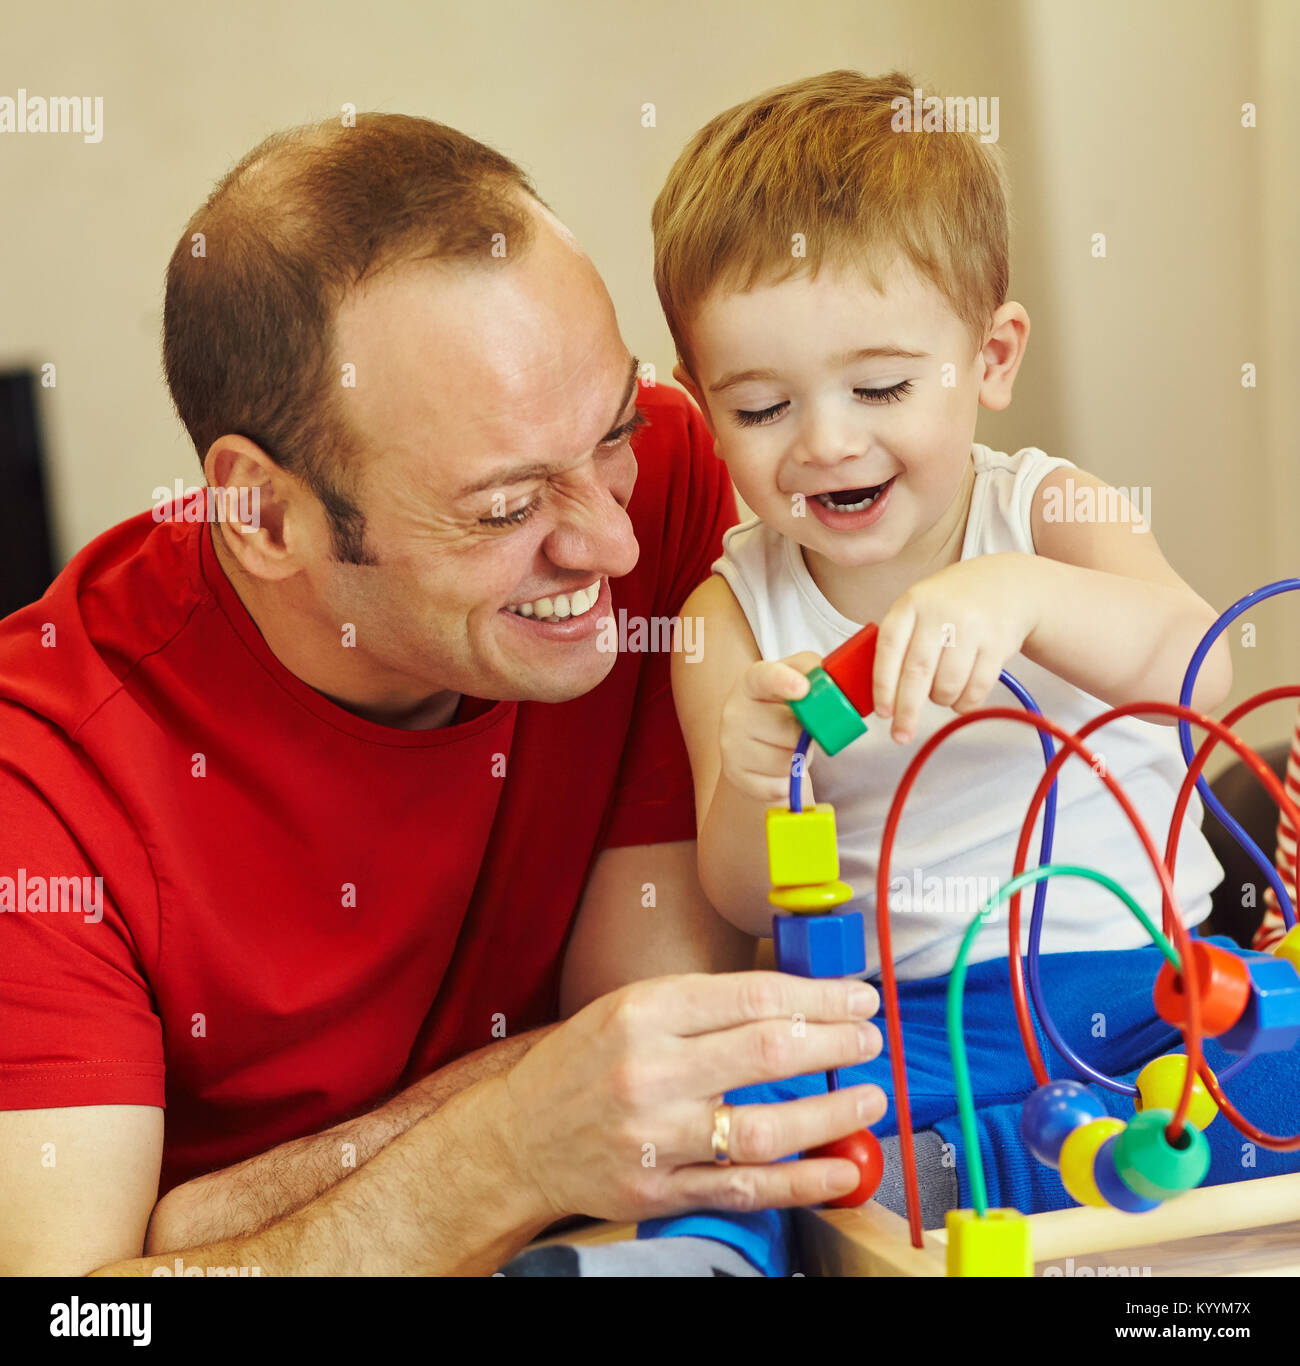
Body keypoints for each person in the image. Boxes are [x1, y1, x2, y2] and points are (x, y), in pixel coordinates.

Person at [0, 113, 893, 1276]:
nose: (615, 546)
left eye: (612, 429)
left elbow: (654, 1046)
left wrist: (215, 1221)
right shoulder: (45, 778)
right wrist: (504, 1153)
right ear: (264, 513)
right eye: (506, 510)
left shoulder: (674, 479)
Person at [536, 68, 1300, 1278]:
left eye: (881, 387)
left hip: (1156, 980)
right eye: (761, 406)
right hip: (906, 1018)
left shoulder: (1047, 513)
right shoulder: (726, 614)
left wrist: (1035, 594)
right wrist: (745, 772)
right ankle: (706, 1256)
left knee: (1277, 1036)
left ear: (990, 358)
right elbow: (740, 894)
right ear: (702, 406)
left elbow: (1198, 677)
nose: (827, 439)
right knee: (761, 1113)